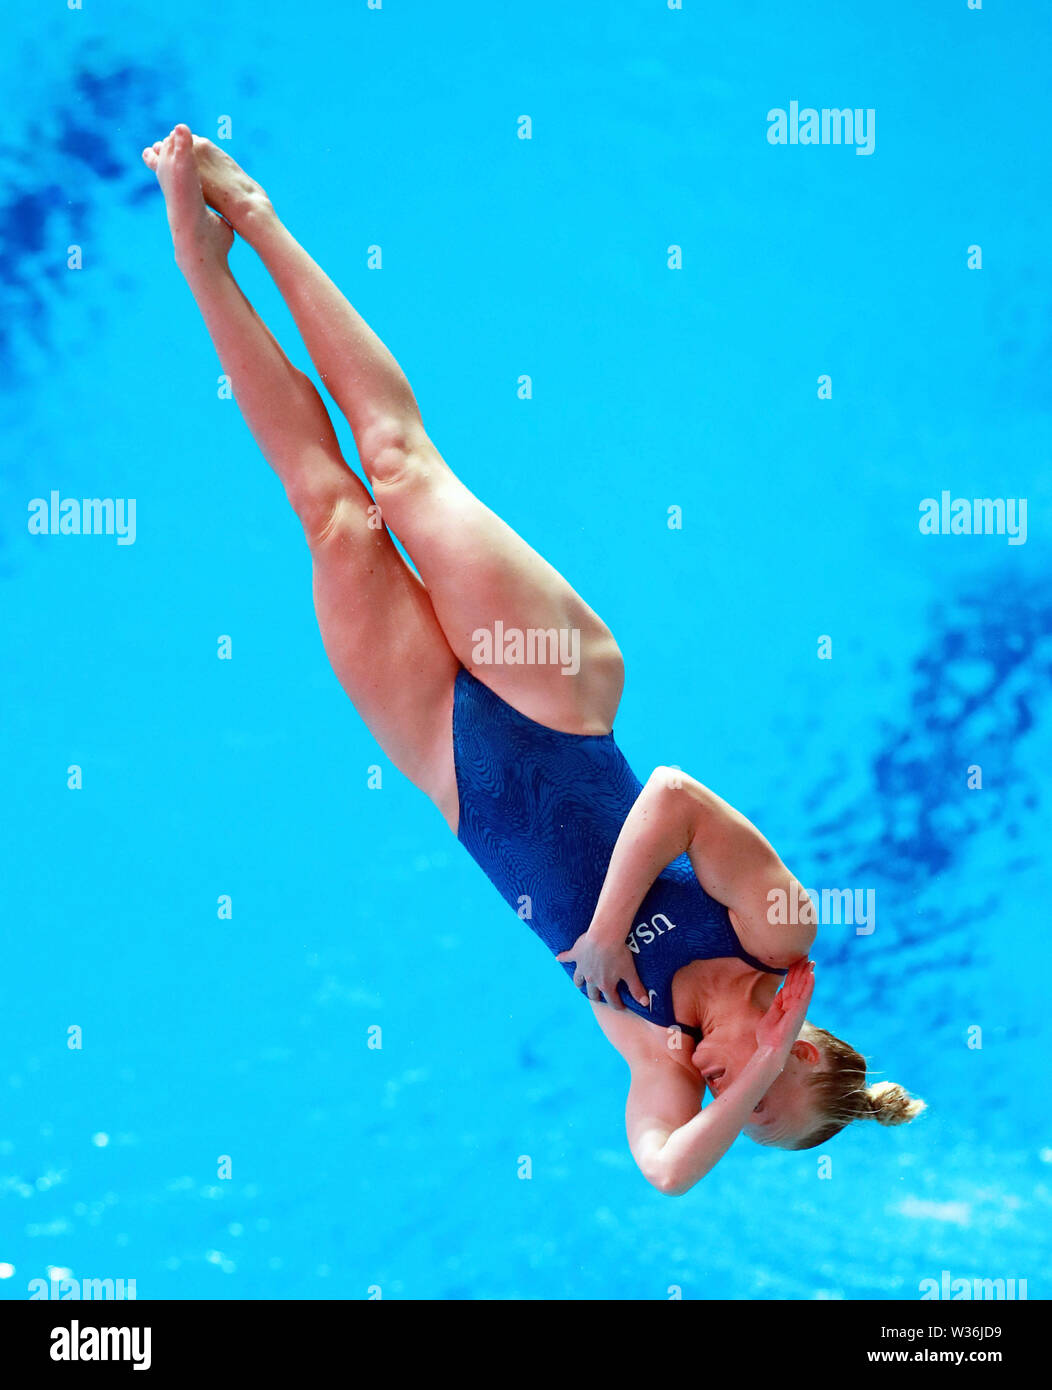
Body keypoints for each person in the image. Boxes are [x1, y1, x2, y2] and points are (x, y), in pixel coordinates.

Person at [143, 126, 925, 1195]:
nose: (713, 1093)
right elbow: (672, 795)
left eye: (729, 1114)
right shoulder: (779, 930)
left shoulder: (655, 1052)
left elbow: (665, 1171)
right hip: (555, 697)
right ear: (796, 1039)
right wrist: (606, 934)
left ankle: (201, 264)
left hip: (450, 764)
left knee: (332, 518)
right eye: (748, 1095)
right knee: (397, 467)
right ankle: (254, 212)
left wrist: (738, 1085)